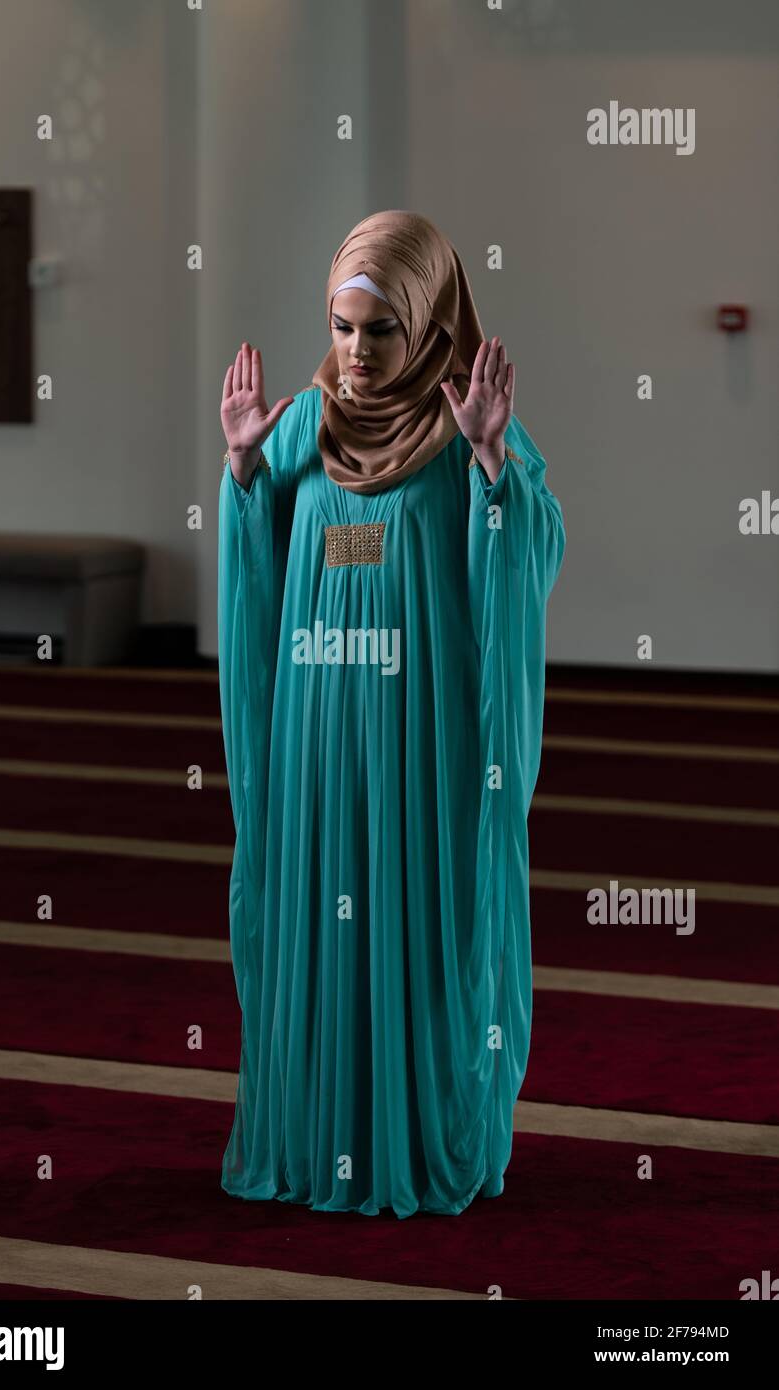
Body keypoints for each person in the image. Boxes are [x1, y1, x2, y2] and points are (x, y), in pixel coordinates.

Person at [217, 210, 565, 1219]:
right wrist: (242, 474)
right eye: (341, 328)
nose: (357, 354)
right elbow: (259, 568)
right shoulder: (296, 425)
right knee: (318, 922)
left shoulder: (465, 430)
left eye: (380, 333)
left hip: (421, 738)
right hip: (317, 734)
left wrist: (495, 470)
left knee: (420, 923)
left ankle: (415, 1139)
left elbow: (524, 555)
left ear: (427, 329)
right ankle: (316, 1137)